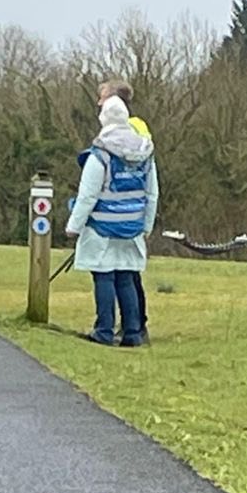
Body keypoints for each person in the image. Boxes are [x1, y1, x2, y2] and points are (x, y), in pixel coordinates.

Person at [65, 95, 158, 347]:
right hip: (131, 227)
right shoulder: (145, 152)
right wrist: (146, 225)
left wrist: (73, 227)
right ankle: (132, 333)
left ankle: (103, 330)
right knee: (126, 277)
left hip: (102, 226)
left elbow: (88, 195)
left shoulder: (100, 154)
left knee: (104, 277)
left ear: (103, 120)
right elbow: (152, 193)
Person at [100, 80, 152, 339]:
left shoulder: (128, 130)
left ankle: (135, 324)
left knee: (127, 274)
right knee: (129, 273)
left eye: (103, 97)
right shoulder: (136, 127)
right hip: (132, 211)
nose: (99, 103)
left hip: (121, 213)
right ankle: (134, 325)